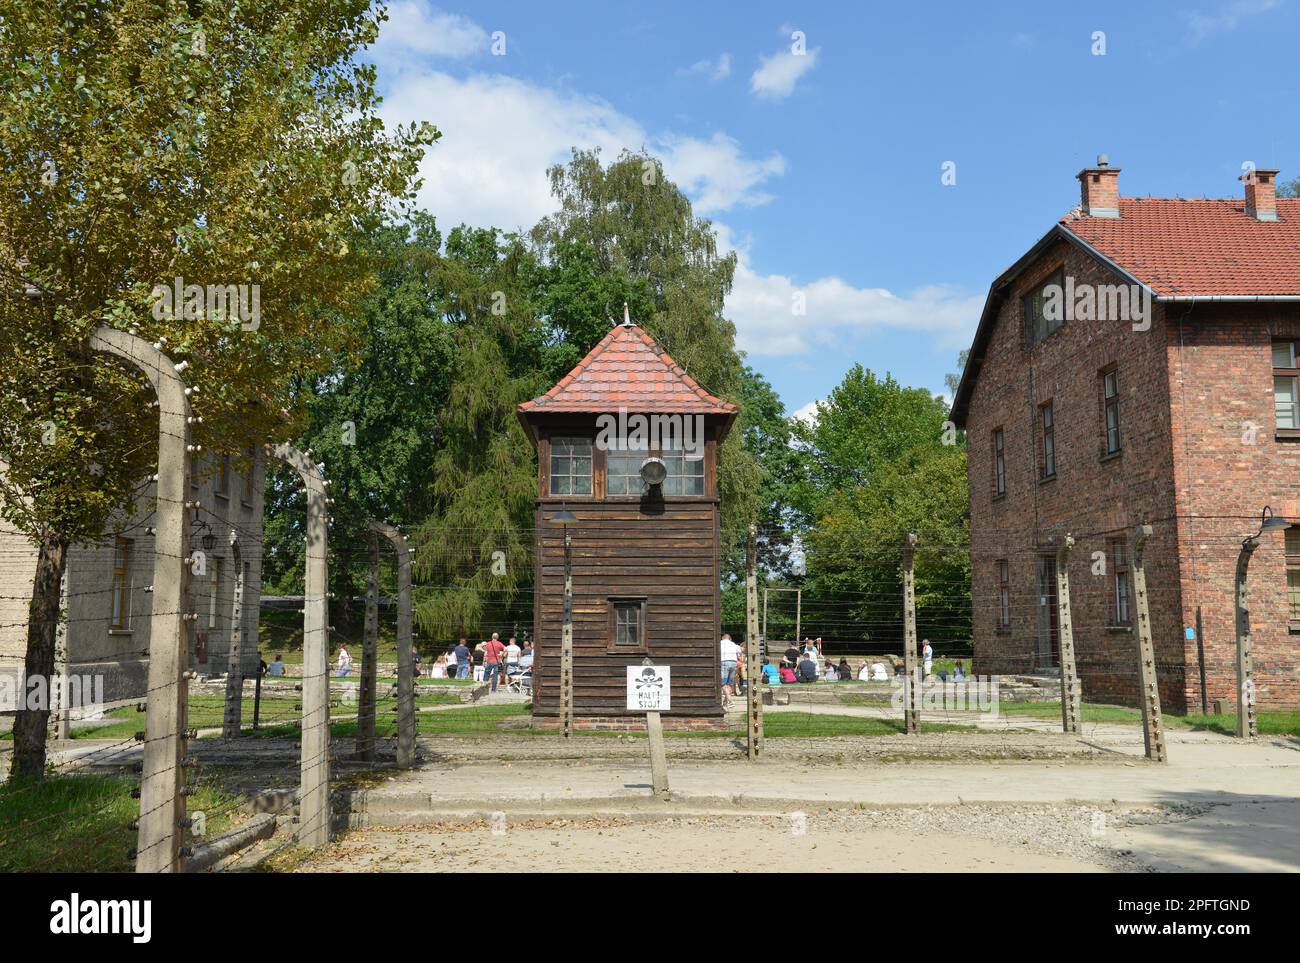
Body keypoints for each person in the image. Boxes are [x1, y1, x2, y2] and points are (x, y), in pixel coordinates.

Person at [720, 632, 741, 708]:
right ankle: (725, 702)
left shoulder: (720, 644)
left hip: (724, 662)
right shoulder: (734, 644)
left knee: (722, 683)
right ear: (730, 638)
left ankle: (730, 701)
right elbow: (739, 654)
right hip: (733, 662)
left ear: (722, 638)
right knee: (729, 683)